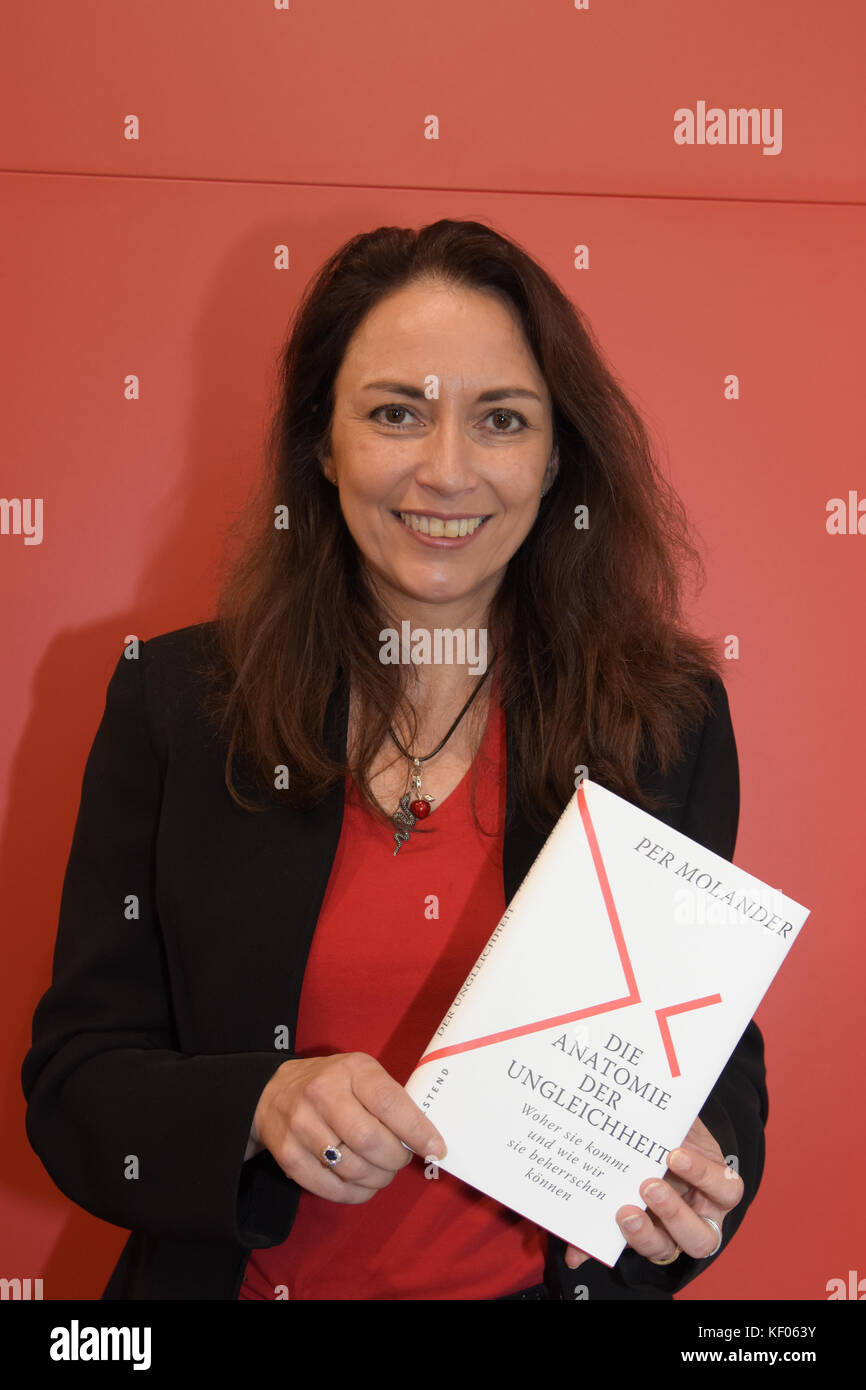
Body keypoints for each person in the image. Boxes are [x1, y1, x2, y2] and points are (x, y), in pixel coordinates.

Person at [22, 218, 766, 1301]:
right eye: (394, 413)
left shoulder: (661, 720)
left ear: (553, 456)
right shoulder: (175, 704)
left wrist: (702, 1167)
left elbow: (708, 1051)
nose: (445, 470)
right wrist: (258, 1103)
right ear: (322, 443)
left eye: (499, 419)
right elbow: (77, 1086)